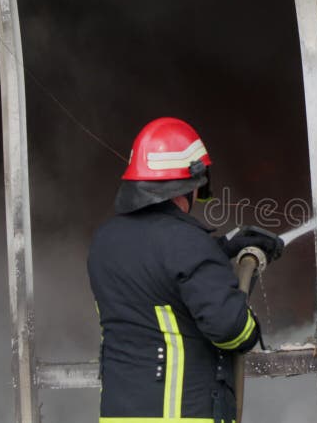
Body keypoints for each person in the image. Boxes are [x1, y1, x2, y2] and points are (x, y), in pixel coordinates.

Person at [88, 117, 283, 423]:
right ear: (191, 185)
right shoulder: (187, 243)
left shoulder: (105, 242)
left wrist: (222, 248)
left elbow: (155, 272)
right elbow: (232, 330)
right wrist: (249, 323)